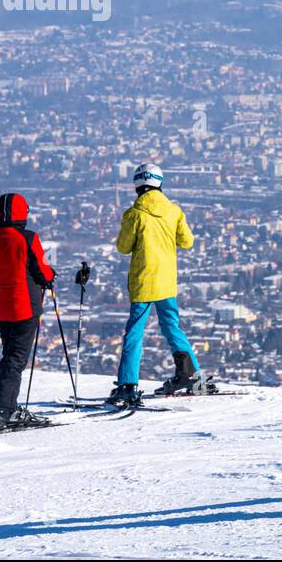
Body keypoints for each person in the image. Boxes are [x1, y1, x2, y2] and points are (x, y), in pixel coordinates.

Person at [109, 163, 207, 406]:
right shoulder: (174, 211)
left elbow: (122, 247)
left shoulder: (135, 214)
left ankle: (127, 384)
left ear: (137, 186)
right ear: (159, 183)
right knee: (172, 327)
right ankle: (191, 375)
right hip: (166, 282)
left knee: (135, 332)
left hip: (143, 282)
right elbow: (187, 242)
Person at [0, 193, 56, 430]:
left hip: (1, 306)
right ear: (23, 212)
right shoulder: (28, 238)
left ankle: (7, 407)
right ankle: (3, 412)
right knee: (15, 360)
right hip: (24, 305)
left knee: (9, 356)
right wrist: (50, 276)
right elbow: (41, 270)